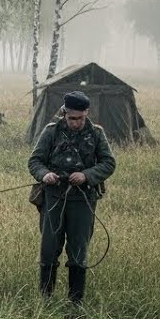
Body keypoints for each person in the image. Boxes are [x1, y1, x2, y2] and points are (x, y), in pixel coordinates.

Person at [27, 90, 116, 305]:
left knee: (78, 251)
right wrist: (45, 175)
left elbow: (108, 163)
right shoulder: (51, 131)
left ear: (86, 113)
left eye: (80, 118)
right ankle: (45, 299)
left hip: (83, 200)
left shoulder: (96, 133)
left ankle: (75, 302)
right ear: (64, 114)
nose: (76, 123)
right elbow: (35, 161)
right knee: (49, 249)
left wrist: (86, 175)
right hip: (53, 198)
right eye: (71, 118)